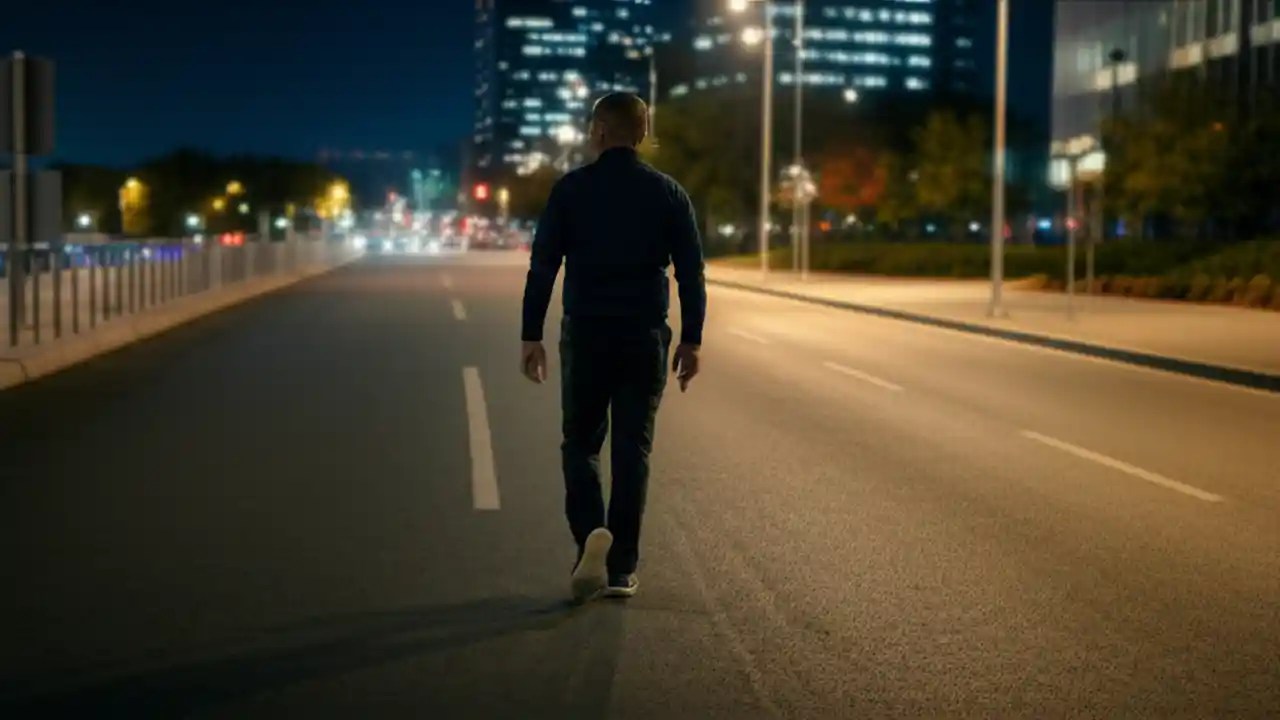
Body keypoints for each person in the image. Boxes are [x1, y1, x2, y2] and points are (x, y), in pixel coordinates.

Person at [519, 92, 706, 603]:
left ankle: (589, 545)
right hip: (644, 336)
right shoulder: (669, 193)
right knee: (632, 449)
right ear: (642, 134)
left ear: (599, 130)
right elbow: (690, 274)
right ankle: (622, 569)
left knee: (580, 444)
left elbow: (543, 267)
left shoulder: (571, 190)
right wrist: (692, 340)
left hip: (587, 334)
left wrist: (530, 335)